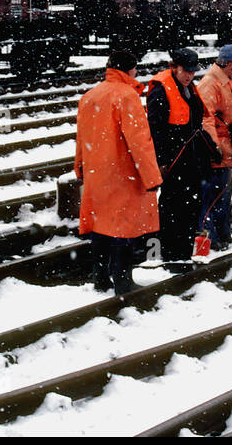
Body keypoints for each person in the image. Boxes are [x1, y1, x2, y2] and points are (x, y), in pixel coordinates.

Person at [73, 49, 162, 295]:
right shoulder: (127, 96)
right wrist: (151, 177)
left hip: (96, 173)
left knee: (100, 226)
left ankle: (100, 278)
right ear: (130, 69)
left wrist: (80, 166)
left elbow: (82, 137)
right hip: (122, 174)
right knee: (123, 227)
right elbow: (140, 142)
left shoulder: (90, 96)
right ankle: (123, 281)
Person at [145, 47, 219, 267]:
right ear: (174, 67)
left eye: (192, 71)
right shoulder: (161, 90)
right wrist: (162, 162)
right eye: (185, 71)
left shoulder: (189, 89)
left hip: (191, 160)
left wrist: (210, 147)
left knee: (190, 207)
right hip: (175, 162)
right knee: (172, 208)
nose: (189, 75)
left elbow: (195, 125)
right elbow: (155, 130)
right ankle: (171, 255)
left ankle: (184, 253)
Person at [196, 44, 232, 250]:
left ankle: (222, 233)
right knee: (212, 197)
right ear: (230, 64)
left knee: (223, 194)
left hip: (225, 149)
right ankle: (210, 238)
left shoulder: (225, 81)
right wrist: (214, 147)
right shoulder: (211, 84)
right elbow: (206, 119)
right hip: (217, 151)